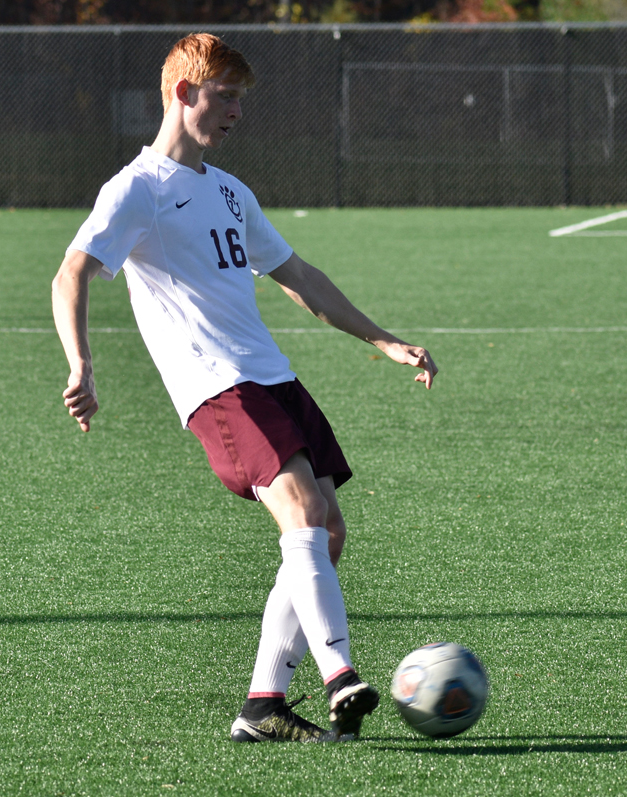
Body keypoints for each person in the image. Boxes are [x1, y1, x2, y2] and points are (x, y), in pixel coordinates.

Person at [51, 33, 438, 743]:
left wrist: (382, 339)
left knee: (327, 529)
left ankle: (263, 703)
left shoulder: (229, 190)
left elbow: (298, 277)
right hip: (215, 383)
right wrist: (82, 365)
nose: (235, 110)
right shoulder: (137, 187)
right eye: (224, 95)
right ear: (181, 92)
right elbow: (71, 272)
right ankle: (340, 674)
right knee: (299, 509)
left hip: (271, 374)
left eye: (239, 98)